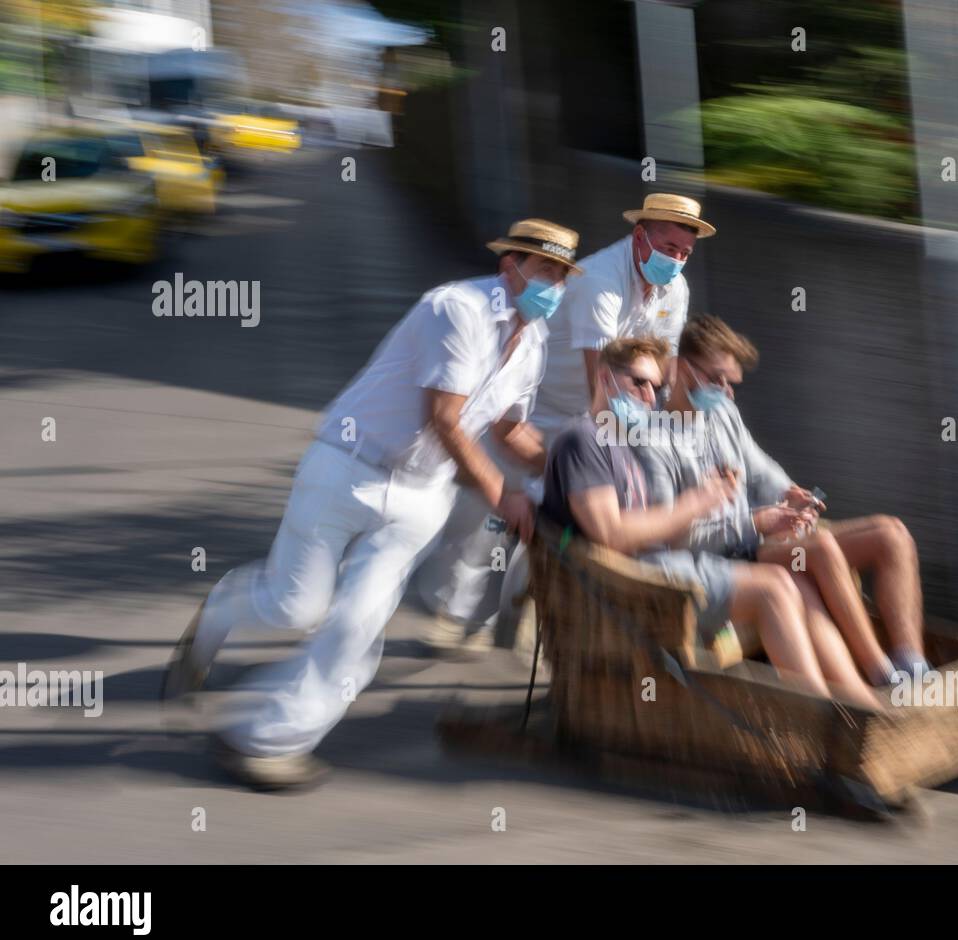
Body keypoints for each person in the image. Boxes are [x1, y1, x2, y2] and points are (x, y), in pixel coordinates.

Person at [160, 218, 583, 790]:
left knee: (356, 625)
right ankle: (218, 612)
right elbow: (446, 419)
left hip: (419, 497)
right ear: (511, 266)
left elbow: (510, 433)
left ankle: (263, 741)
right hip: (346, 468)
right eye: (545, 271)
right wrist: (504, 496)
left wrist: (568, 472)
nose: (554, 287)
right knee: (294, 608)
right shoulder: (456, 309)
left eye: (562, 276)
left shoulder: (532, 343)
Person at [417, 194, 718, 652]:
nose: (675, 259)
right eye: (668, 247)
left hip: (600, 420)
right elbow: (600, 378)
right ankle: (454, 610)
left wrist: (672, 432)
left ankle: (523, 606)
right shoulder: (601, 280)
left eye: (684, 252)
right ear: (640, 237)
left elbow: (664, 367)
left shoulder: (675, 291)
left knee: (564, 521)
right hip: (538, 412)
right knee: (491, 514)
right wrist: (624, 447)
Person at [541, 337, 883, 710]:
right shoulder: (583, 440)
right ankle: (820, 717)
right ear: (605, 378)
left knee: (792, 580)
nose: (648, 396)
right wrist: (699, 503)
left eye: (655, 387)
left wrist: (730, 503)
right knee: (774, 588)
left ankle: (854, 702)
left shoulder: (625, 439)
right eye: (637, 382)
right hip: (628, 578)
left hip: (664, 563)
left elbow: (746, 475)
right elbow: (611, 535)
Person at [636, 313, 930, 686]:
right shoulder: (653, 441)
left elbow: (760, 470)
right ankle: (883, 675)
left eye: (731, 382)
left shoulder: (723, 414)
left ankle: (913, 665)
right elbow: (671, 536)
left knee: (892, 534)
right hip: (720, 559)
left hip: (756, 540)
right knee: (818, 546)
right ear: (679, 368)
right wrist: (756, 522)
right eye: (715, 378)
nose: (725, 390)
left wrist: (790, 495)